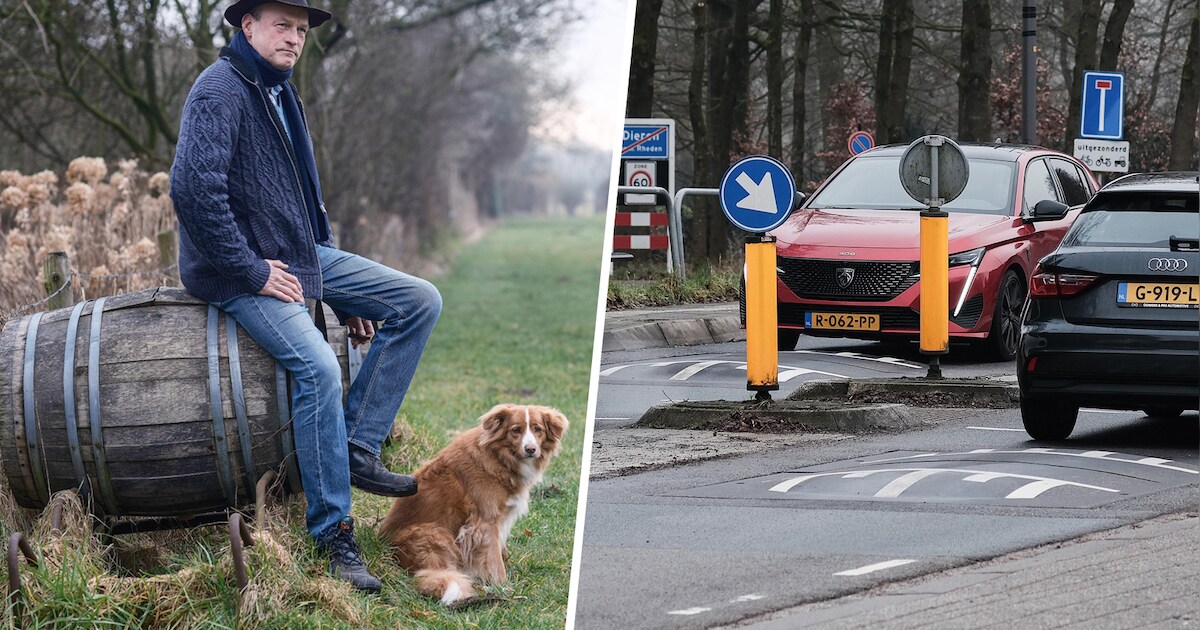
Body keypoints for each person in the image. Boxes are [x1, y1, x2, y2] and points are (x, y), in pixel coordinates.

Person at [169, 0, 442, 593]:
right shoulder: (220, 90)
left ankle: (356, 447)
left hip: (302, 254)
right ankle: (332, 533)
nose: (293, 37)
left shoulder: (280, 90)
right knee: (318, 367)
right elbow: (192, 190)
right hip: (238, 269)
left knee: (418, 300)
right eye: (281, 25)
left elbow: (306, 203)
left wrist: (338, 296)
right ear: (248, 26)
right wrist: (250, 270)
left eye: (300, 29)